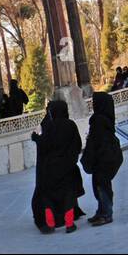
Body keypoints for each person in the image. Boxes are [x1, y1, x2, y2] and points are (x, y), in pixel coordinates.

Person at [31, 99, 86, 234]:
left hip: (50, 168)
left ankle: (50, 224)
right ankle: (69, 224)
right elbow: (77, 145)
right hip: (67, 167)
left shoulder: (49, 127)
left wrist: (35, 138)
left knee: (48, 197)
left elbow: (43, 144)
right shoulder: (70, 125)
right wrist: (71, 159)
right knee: (68, 195)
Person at [81, 91, 123, 226]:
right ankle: (101, 211)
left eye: (94, 102)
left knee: (102, 187)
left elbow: (96, 141)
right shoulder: (105, 117)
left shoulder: (99, 120)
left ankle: (106, 214)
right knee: (100, 185)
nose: (93, 105)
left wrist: (89, 156)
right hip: (105, 157)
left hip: (104, 158)